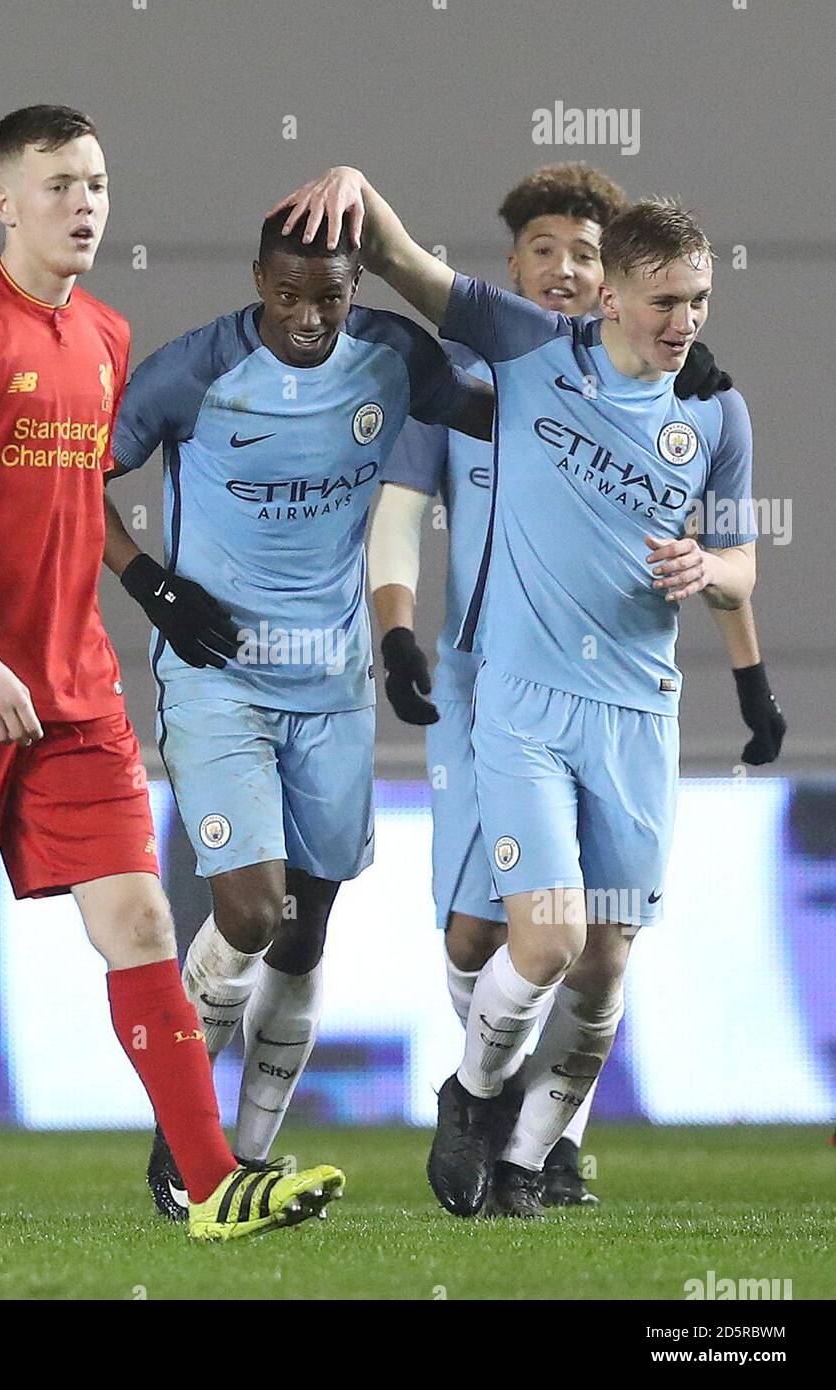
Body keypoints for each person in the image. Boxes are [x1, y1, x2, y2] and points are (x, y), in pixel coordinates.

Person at [0, 106, 343, 1246]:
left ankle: (211, 1187)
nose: (82, 204)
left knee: (144, 918)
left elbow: (73, 500)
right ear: (4, 201)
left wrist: (140, 590)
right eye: (55, 185)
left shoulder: (102, 333)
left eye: (95, 182)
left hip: (74, 696)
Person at [272, 167, 758, 1217]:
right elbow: (401, 266)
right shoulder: (507, 356)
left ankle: (539, 1155)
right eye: (666, 299)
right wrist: (356, 186)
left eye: (696, 302)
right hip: (501, 688)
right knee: (504, 935)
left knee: (601, 957)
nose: (683, 320)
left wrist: (708, 573)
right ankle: (476, 1096)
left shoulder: (712, 408)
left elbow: (738, 567)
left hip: (635, 706)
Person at [103, 211, 494, 1218]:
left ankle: (242, 1159)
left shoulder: (394, 357)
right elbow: (72, 481)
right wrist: (151, 583)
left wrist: (631, 381)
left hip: (331, 685)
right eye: (289, 295)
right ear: (257, 282)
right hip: (215, 676)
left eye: (330, 295)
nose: (310, 316)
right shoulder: (191, 372)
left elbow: (499, 409)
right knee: (246, 909)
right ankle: (184, 1142)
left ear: (355, 285)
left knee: (303, 932)